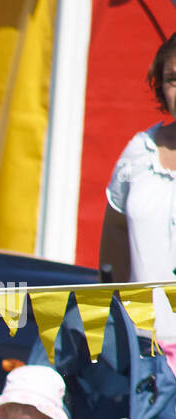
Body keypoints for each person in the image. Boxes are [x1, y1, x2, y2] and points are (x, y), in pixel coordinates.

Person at [99, 30, 176, 374]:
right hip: (143, 345)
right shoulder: (138, 152)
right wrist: (113, 308)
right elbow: (114, 229)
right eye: (173, 79)